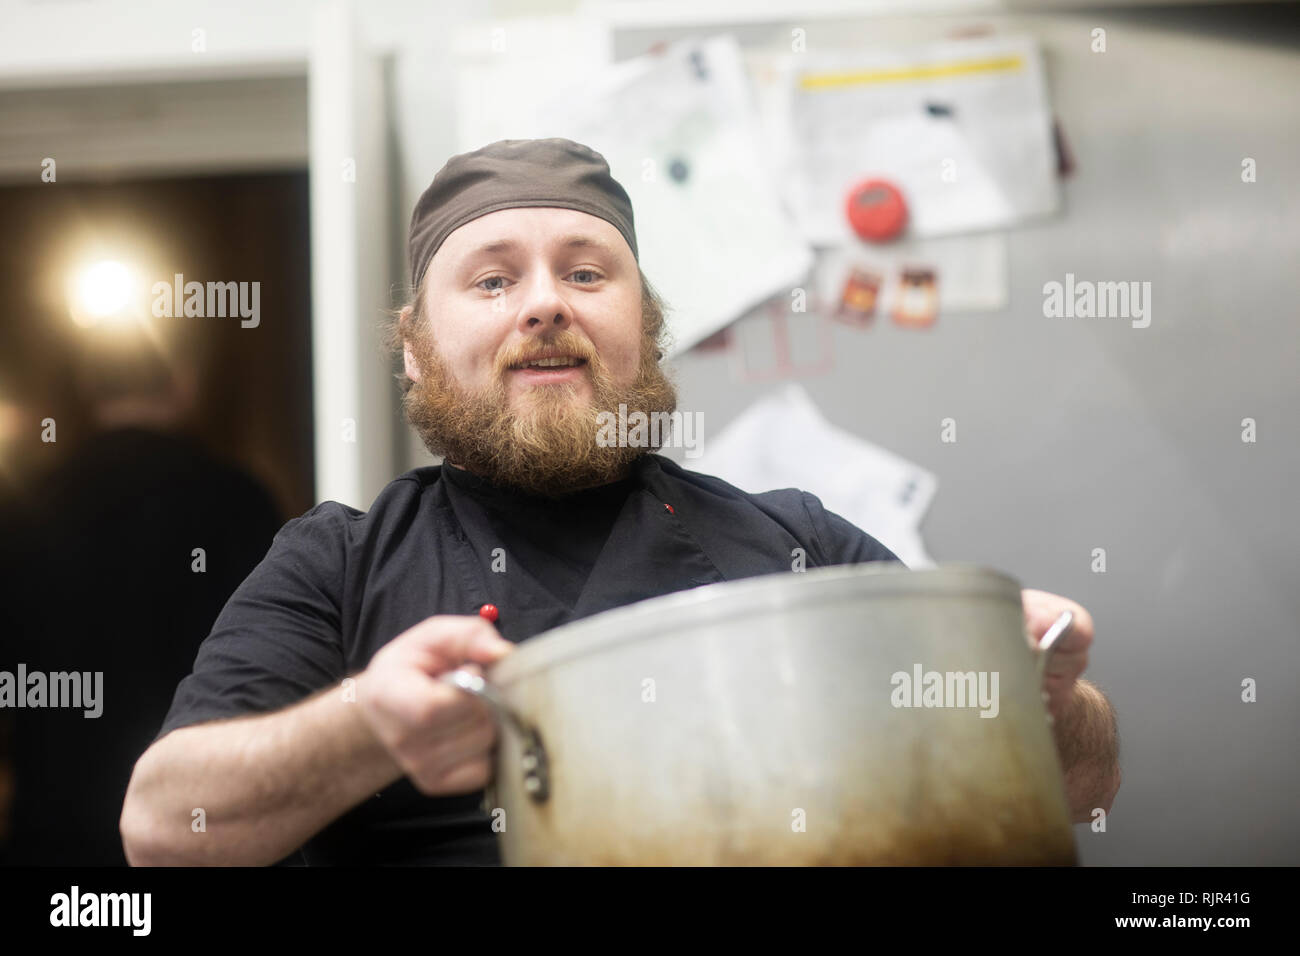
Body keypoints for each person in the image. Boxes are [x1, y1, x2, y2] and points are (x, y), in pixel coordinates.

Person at [120, 138, 1119, 867]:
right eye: (493, 278)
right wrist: (365, 725)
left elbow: (1079, 784)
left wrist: (1045, 701)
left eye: (587, 272)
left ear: (642, 326)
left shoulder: (801, 541)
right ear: (417, 346)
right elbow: (165, 828)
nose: (547, 302)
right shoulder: (338, 561)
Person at [1, 325, 282, 865]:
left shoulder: (27, 505)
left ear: (89, 384)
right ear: (184, 380)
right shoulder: (238, 500)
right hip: (201, 830)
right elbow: (275, 675)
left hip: (53, 830)